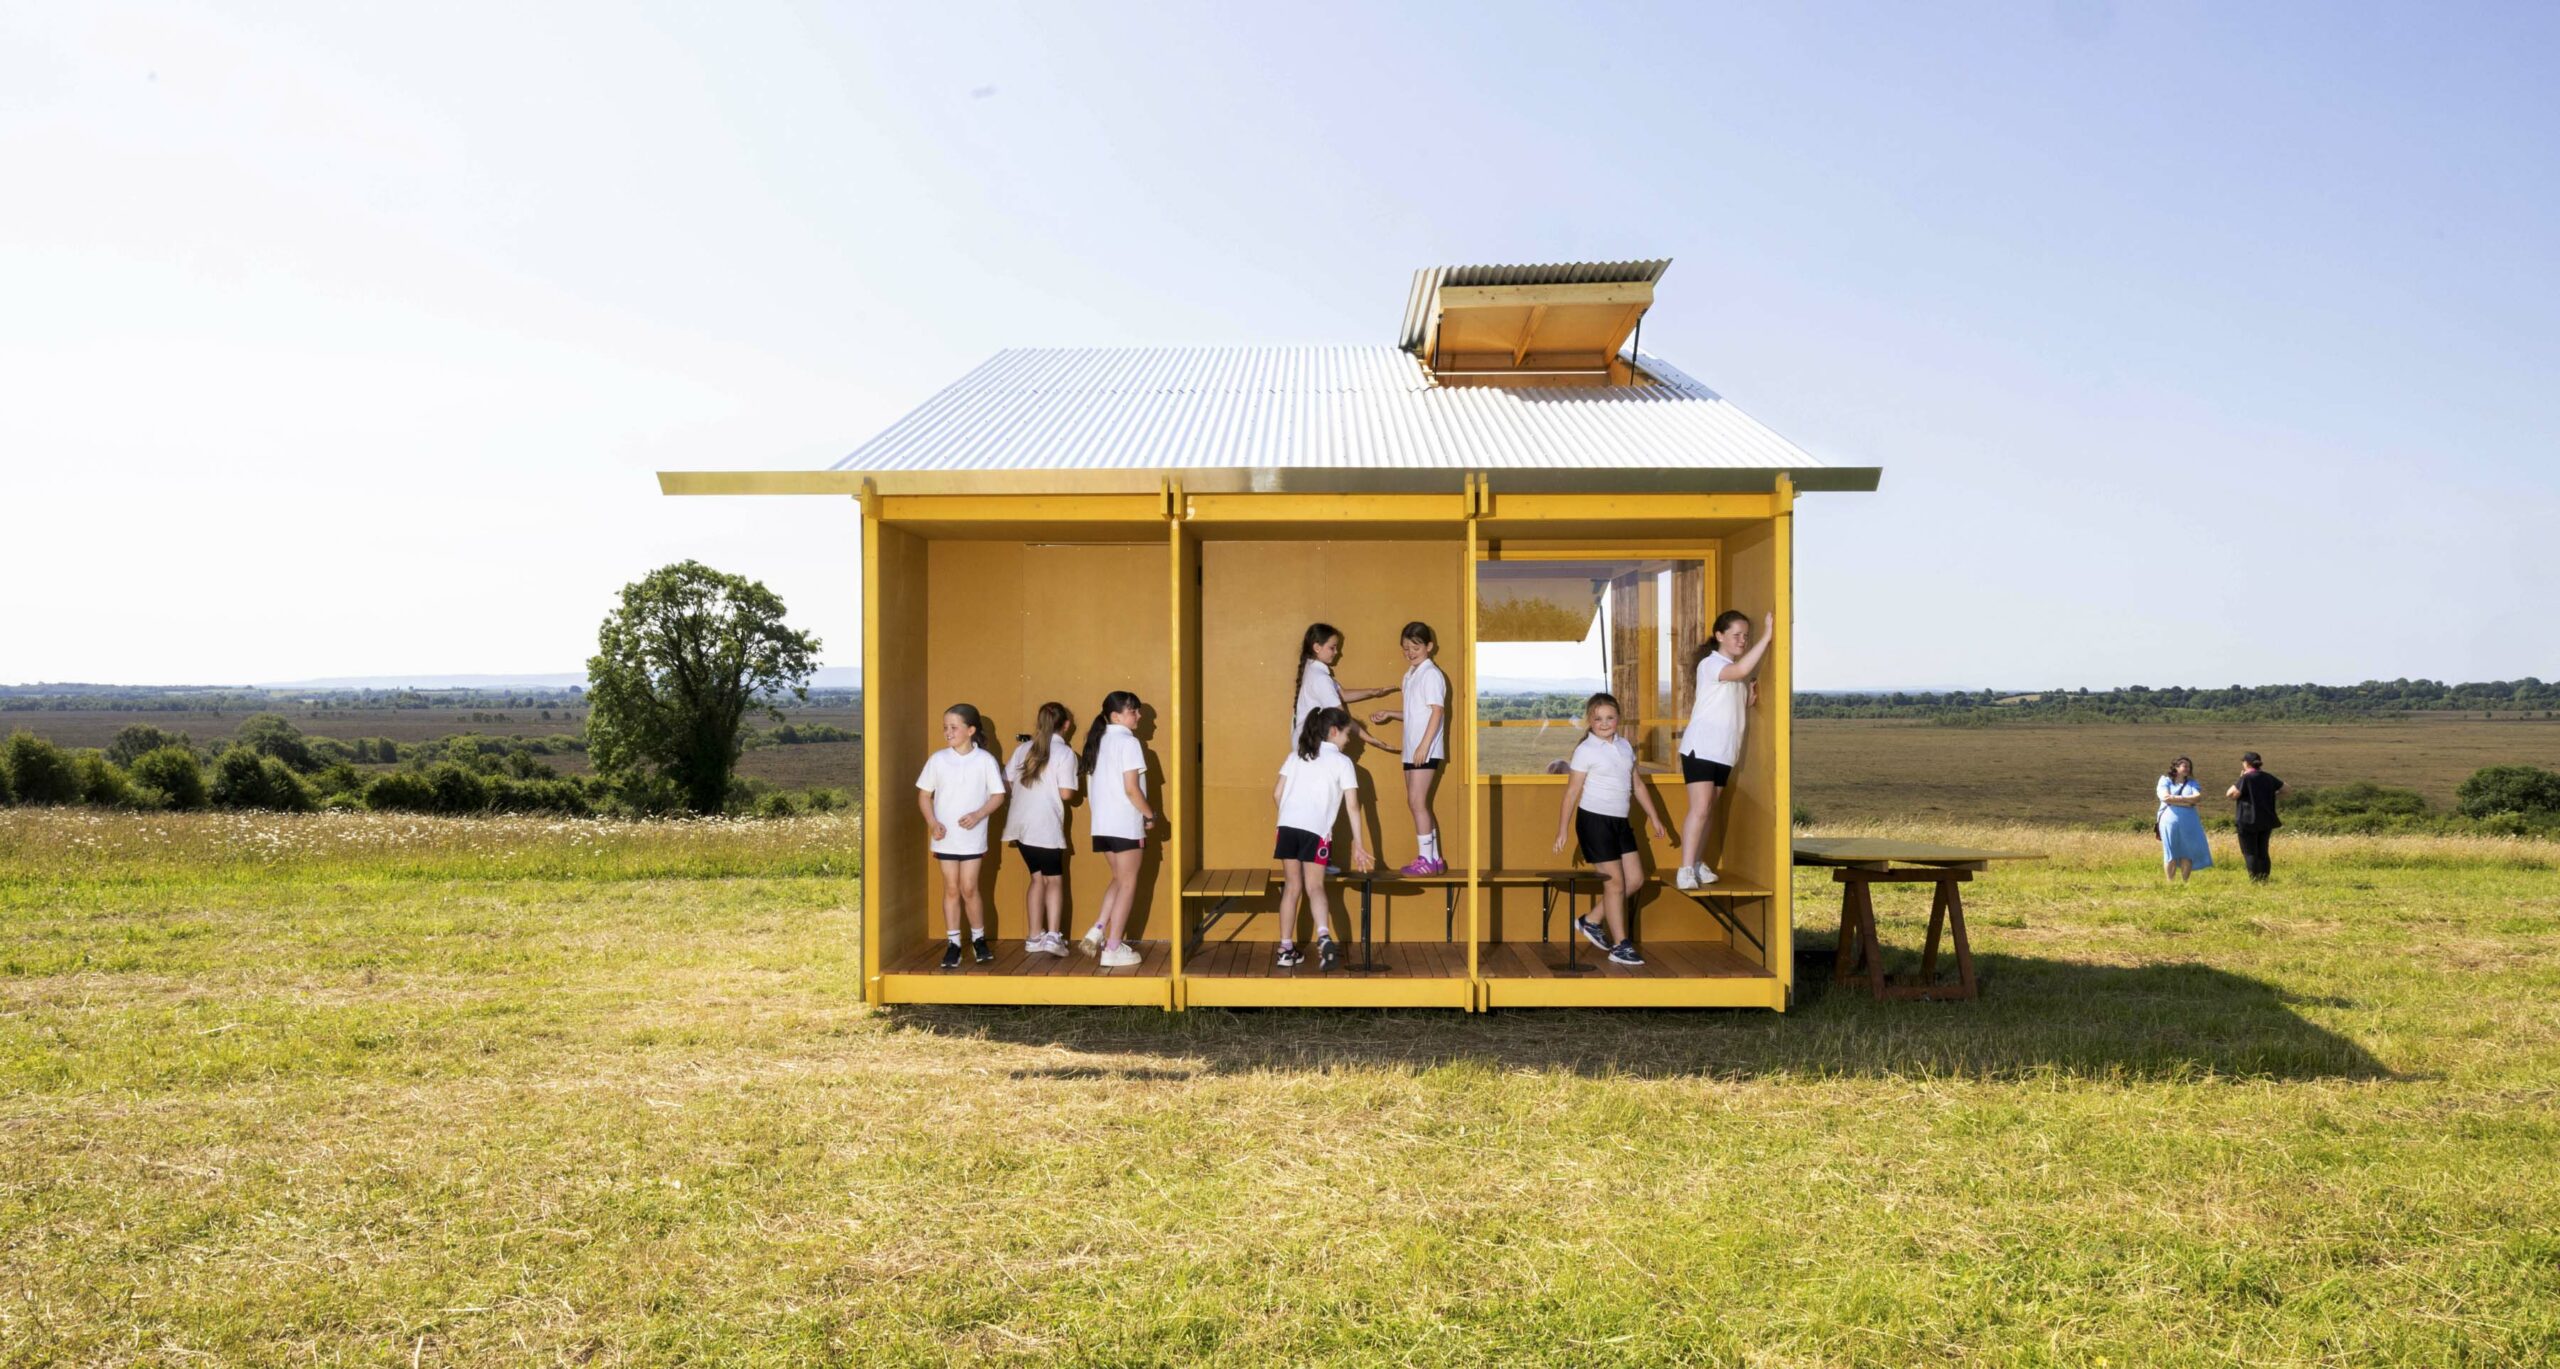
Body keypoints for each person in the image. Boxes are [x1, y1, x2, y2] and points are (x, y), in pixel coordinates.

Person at [1552, 693, 1672, 967]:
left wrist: (1655, 818)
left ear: (1618, 719)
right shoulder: (1586, 751)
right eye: (1598, 719)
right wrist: (1563, 830)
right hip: (1594, 821)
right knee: (1615, 883)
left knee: (1635, 880)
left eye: (1610, 718)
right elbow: (1572, 792)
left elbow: (1638, 786)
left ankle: (1592, 920)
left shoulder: (1625, 746)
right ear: (1590, 722)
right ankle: (1621, 945)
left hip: (1619, 822)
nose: (1604, 723)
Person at [1675, 609, 1774, 890]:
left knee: (1709, 810)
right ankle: (1684, 869)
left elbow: (1727, 704)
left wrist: (1749, 697)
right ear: (1720, 636)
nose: (1742, 640)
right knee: (1701, 808)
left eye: (1746, 636)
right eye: (1736, 635)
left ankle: (1695, 862)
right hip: (1701, 748)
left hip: (1723, 751)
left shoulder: (1734, 676)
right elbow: (1741, 669)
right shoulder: (1711, 664)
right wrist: (1767, 636)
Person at [1272, 705, 1374, 969]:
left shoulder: (1296, 756)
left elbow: (1276, 794)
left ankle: (1285, 949)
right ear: (1333, 731)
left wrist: (1289, 817)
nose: (1349, 740)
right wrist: (1359, 845)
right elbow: (1352, 806)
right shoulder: (1342, 762)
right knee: (1315, 886)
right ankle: (1324, 936)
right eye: (1347, 734)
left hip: (1286, 827)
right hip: (1315, 831)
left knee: (1291, 887)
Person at [914, 703, 1005, 968]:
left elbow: (998, 795)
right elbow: (923, 795)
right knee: (951, 888)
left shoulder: (985, 761)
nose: (948, 732)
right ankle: (953, 943)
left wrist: (978, 815)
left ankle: (978, 940)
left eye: (954, 727)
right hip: (945, 837)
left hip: (972, 837)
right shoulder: (938, 759)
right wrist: (933, 823)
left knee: (969, 888)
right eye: (945, 727)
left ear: (971, 730)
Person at [1076, 691, 1159, 967]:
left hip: (1102, 825)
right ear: (1116, 716)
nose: (1139, 715)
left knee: (1118, 878)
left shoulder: (1097, 741)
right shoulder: (1128, 742)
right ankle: (1112, 947)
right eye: (1133, 711)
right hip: (1125, 823)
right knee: (1127, 882)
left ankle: (1099, 928)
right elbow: (1132, 789)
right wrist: (1150, 816)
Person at [1369, 621, 1450, 875]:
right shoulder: (1410, 675)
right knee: (1417, 802)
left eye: (1415, 647)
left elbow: (1437, 711)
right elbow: (1416, 712)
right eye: (1405, 648)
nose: (1410, 652)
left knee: (1416, 802)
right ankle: (1435, 859)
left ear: (1429, 646)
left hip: (1424, 749)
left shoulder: (1431, 674)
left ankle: (1425, 859)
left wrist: (1424, 746)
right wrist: (1391, 714)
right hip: (1412, 748)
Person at [1002, 702, 1079, 956]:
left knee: (1036, 878)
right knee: (1054, 880)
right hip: (1045, 824)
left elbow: (1007, 781)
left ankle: (1034, 936)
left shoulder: (1023, 748)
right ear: (1066, 725)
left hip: (1020, 824)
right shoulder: (1065, 753)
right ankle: (1054, 937)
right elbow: (1067, 794)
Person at [1289, 622, 1392, 749]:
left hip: (1305, 742)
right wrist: (1370, 739)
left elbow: (1341, 694)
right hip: (1313, 745)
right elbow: (1341, 714)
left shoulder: (1312, 670)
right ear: (1317, 647)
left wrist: (1373, 692)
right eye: (1332, 647)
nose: (1337, 652)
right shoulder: (1320, 678)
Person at [2226, 751, 2287, 882]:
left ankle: (2255, 881)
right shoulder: (2268, 777)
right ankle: (2264, 879)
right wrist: (2271, 795)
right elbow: (2287, 789)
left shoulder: (2246, 778)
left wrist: (2240, 778)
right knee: (2263, 851)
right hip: (2266, 819)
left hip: (2247, 820)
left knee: (2250, 852)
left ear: (2246, 763)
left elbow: (2230, 794)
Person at [2155, 755, 2211, 882]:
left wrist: (2174, 799)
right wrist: (2186, 801)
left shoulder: (2192, 783)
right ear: (2176, 767)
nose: (2187, 768)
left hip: (2189, 821)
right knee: (2171, 851)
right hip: (2169, 821)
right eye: (2184, 766)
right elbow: (2165, 797)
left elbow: (2197, 798)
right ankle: (2170, 882)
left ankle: (2185, 882)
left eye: (2189, 766)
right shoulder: (2165, 780)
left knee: (2187, 851)